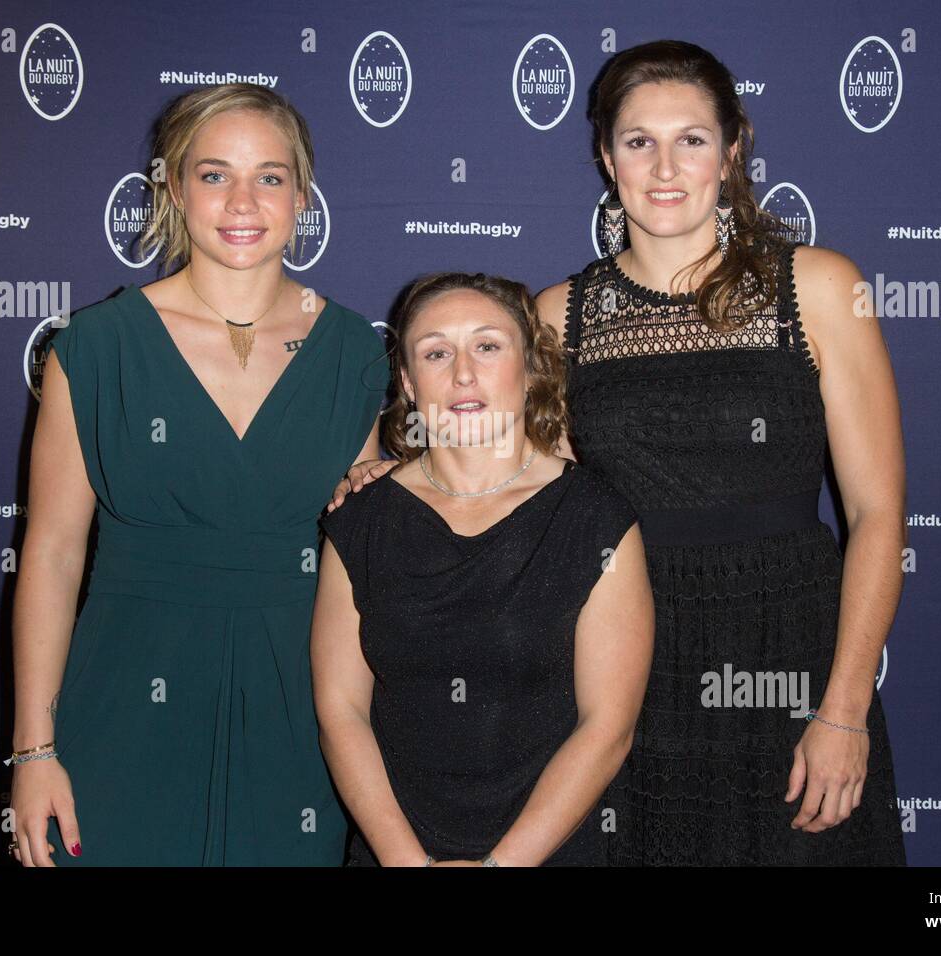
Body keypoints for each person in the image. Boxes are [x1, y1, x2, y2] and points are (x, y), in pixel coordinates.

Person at [329, 40, 908, 865]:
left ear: (733, 147)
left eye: (692, 139)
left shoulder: (817, 287)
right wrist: (391, 468)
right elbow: (509, 468)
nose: (665, 166)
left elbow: (878, 512)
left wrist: (844, 705)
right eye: (639, 141)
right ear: (606, 156)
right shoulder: (558, 316)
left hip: (792, 654)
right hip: (626, 666)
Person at [8, 84, 388, 866]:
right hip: (125, 693)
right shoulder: (97, 347)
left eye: (270, 177)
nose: (242, 200)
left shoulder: (355, 352)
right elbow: (50, 555)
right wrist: (35, 752)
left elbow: (366, 535)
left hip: (301, 708)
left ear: (302, 195)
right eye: (214, 174)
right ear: (174, 187)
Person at [312, 272, 654, 866]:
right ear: (408, 383)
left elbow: (607, 728)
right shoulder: (359, 521)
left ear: (530, 369)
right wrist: (405, 862)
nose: (463, 372)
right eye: (436, 352)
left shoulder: (598, 519)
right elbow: (341, 712)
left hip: (555, 849)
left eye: (488, 346)